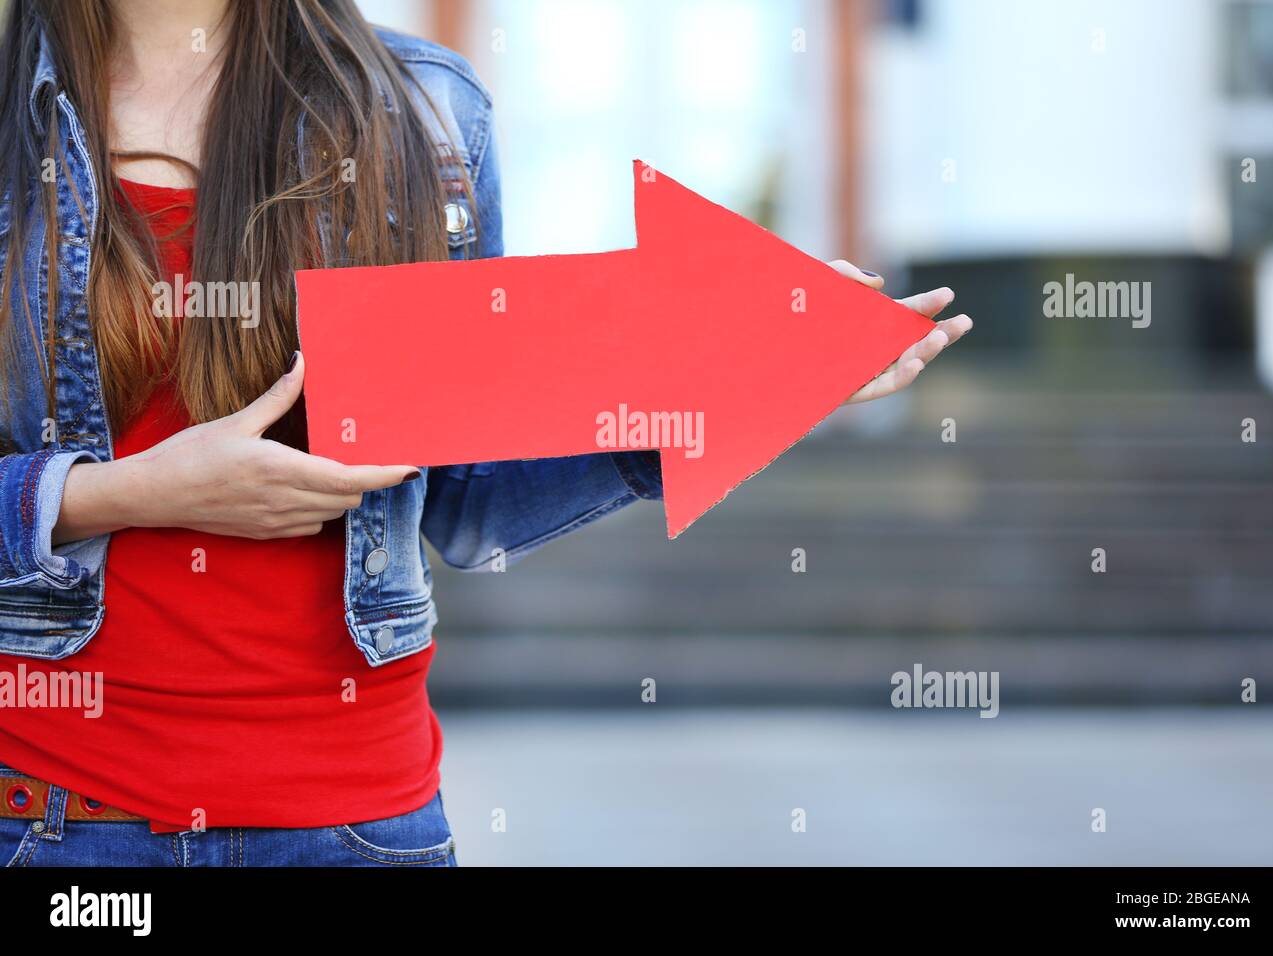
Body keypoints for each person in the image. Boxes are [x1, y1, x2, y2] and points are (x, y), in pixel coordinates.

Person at [0, 0, 971, 867]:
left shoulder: (423, 108)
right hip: (50, 810)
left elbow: (464, 497)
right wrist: (125, 493)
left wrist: (741, 386)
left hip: (356, 823)